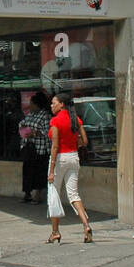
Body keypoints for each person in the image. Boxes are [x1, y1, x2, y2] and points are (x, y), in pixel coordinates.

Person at [46, 92, 94, 244]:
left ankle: (55, 231)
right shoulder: (76, 120)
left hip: (60, 158)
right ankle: (86, 224)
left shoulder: (55, 121)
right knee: (73, 194)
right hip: (74, 157)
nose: (51, 106)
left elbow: (55, 146)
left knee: (54, 193)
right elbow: (85, 141)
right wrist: (75, 144)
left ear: (62, 104)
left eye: (54, 103)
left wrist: (52, 170)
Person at [19, 92, 51, 204]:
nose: (30, 106)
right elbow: (22, 123)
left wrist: (34, 133)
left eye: (32, 103)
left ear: (37, 104)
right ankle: (27, 193)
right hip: (29, 147)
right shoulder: (30, 115)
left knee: (39, 171)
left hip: (40, 148)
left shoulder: (45, 116)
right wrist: (24, 129)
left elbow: (47, 132)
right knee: (27, 170)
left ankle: (38, 194)